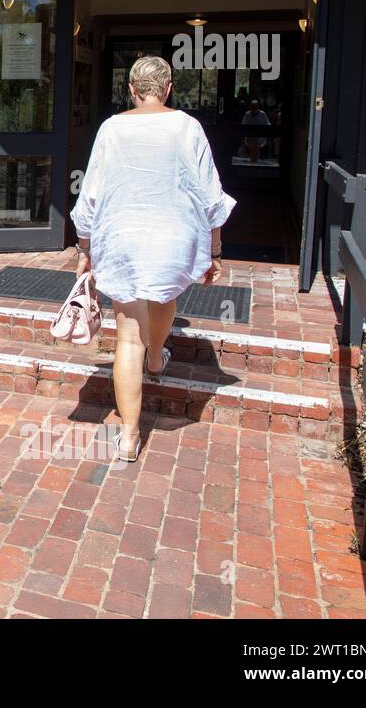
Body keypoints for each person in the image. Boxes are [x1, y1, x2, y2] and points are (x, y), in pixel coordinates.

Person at [70, 56, 236, 462]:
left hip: (122, 237)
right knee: (163, 297)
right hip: (171, 237)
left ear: (130, 88)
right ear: (168, 87)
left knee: (128, 336)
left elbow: (91, 191)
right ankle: (158, 359)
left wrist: (85, 248)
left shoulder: (112, 128)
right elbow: (210, 193)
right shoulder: (187, 127)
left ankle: (128, 436)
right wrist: (214, 250)